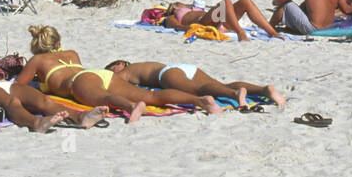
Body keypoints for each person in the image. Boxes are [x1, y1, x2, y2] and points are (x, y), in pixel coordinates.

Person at [12, 25, 222, 122]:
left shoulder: (37, 60)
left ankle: (131, 107)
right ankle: (201, 100)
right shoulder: (72, 53)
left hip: (78, 81)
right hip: (98, 74)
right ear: (58, 43)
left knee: (103, 97)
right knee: (152, 96)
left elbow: (18, 85)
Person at [105, 60, 287, 107]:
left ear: (120, 64)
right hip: (186, 68)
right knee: (222, 84)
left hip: (166, 74)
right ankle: (264, 90)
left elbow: (113, 84)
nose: (111, 72)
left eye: (111, 68)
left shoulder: (126, 71)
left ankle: (234, 94)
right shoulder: (140, 65)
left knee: (198, 90)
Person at [163, 0, 283, 41]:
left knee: (245, 1)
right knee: (226, 2)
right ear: (174, 7)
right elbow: (172, 25)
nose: (183, 4)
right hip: (203, 23)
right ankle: (240, 32)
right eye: (179, 3)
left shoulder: (192, 9)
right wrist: (191, 28)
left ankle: (272, 32)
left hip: (218, 22)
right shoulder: (174, 14)